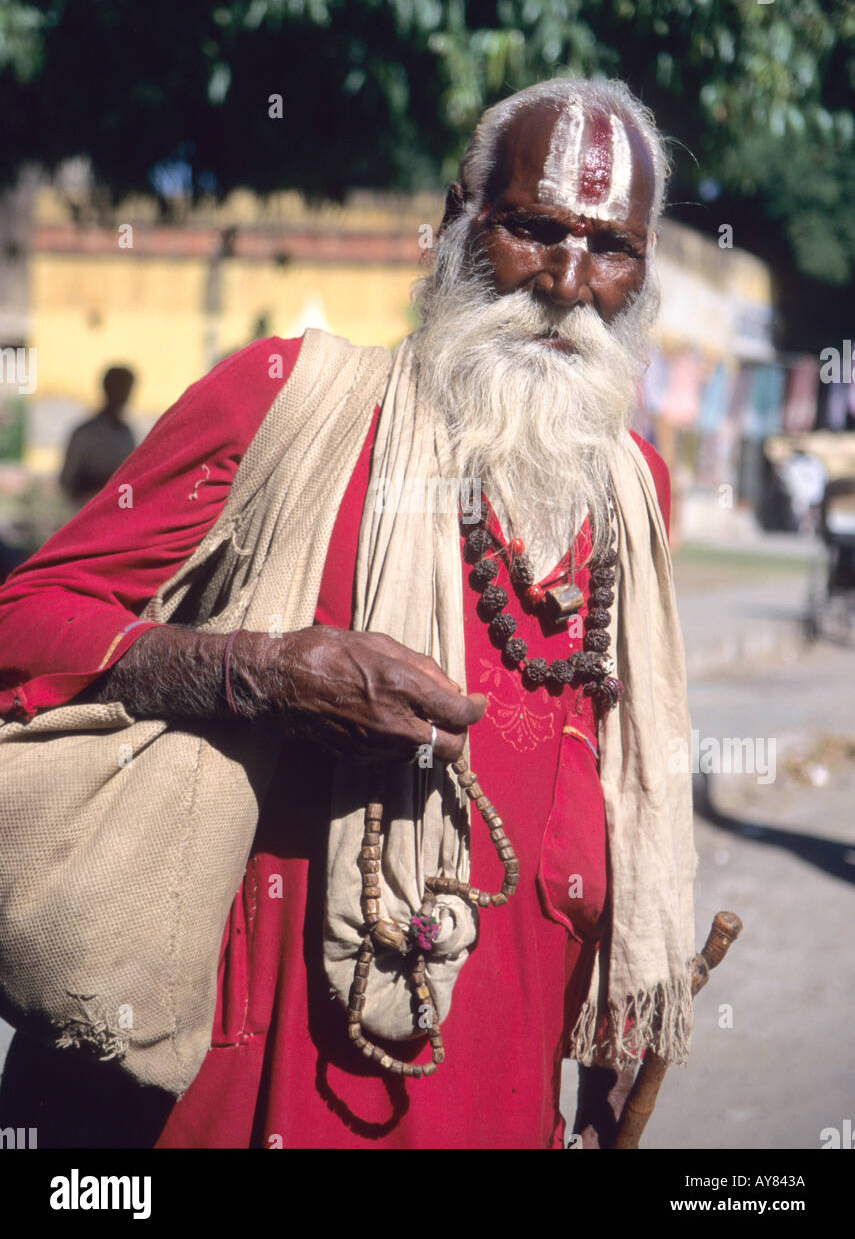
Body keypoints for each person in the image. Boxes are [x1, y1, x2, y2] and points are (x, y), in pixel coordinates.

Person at [0, 77, 696, 1150]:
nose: (567, 282)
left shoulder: (634, 498)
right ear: (462, 218)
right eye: (533, 228)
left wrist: (605, 1059)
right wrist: (261, 673)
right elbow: (28, 618)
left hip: (507, 1105)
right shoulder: (286, 403)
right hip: (255, 1096)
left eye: (611, 247)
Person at [59, 365, 137, 509]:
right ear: (107, 388)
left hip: (118, 513)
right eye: (120, 387)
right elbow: (67, 481)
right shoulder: (85, 433)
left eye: (126, 388)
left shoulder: (127, 433)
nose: (124, 394)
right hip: (88, 511)